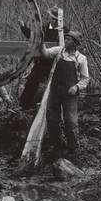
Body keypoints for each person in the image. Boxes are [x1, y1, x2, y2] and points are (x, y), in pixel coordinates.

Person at [41, 29, 90, 158]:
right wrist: (41, 42)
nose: (66, 41)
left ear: (75, 43)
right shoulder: (59, 51)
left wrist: (76, 87)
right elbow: (45, 54)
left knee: (71, 121)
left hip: (70, 94)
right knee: (52, 119)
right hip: (55, 91)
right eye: (66, 39)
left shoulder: (81, 59)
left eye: (69, 39)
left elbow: (85, 79)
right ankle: (57, 146)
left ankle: (73, 149)